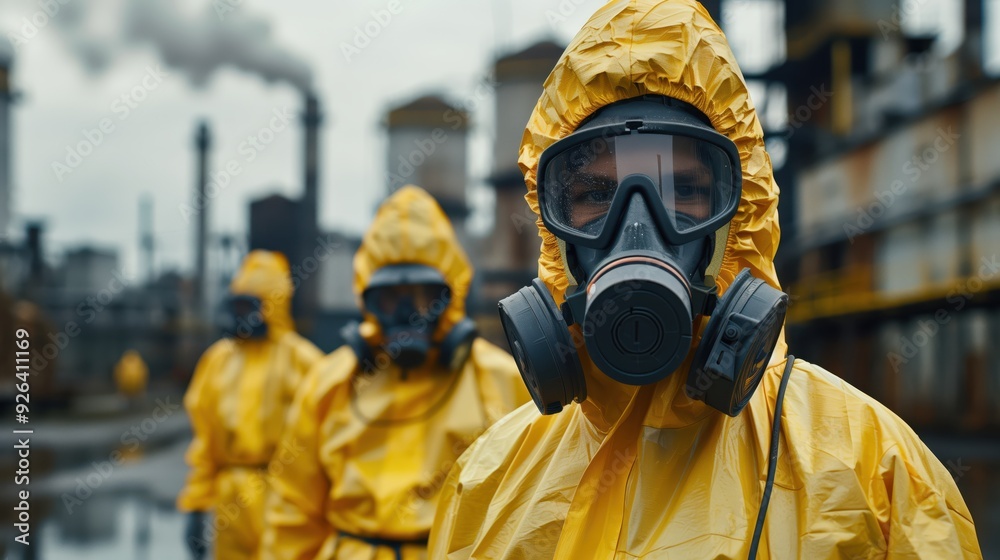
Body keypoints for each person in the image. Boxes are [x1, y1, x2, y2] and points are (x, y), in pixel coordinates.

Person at [428, 1, 983, 558]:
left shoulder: (875, 474)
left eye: (683, 192)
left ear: (739, 217)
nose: (638, 227)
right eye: (597, 195)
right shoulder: (487, 481)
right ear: (556, 233)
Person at [259, 185, 529, 560]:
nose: (408, 314)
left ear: (450, 296)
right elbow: (292, 510)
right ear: (366, 299)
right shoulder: (330, 383)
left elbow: (531, 508)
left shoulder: (499, 379)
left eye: (424, 296)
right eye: (390, 298)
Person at [177, 250, 323, 559]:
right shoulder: (218, 360)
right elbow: (206, 441)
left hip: (287, 497)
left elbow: (328, 440)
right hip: (230, 501)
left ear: (272, 306)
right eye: (237, 305)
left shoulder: (303, 360)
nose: (240, 316)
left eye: (249, 306)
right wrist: (196, 505)